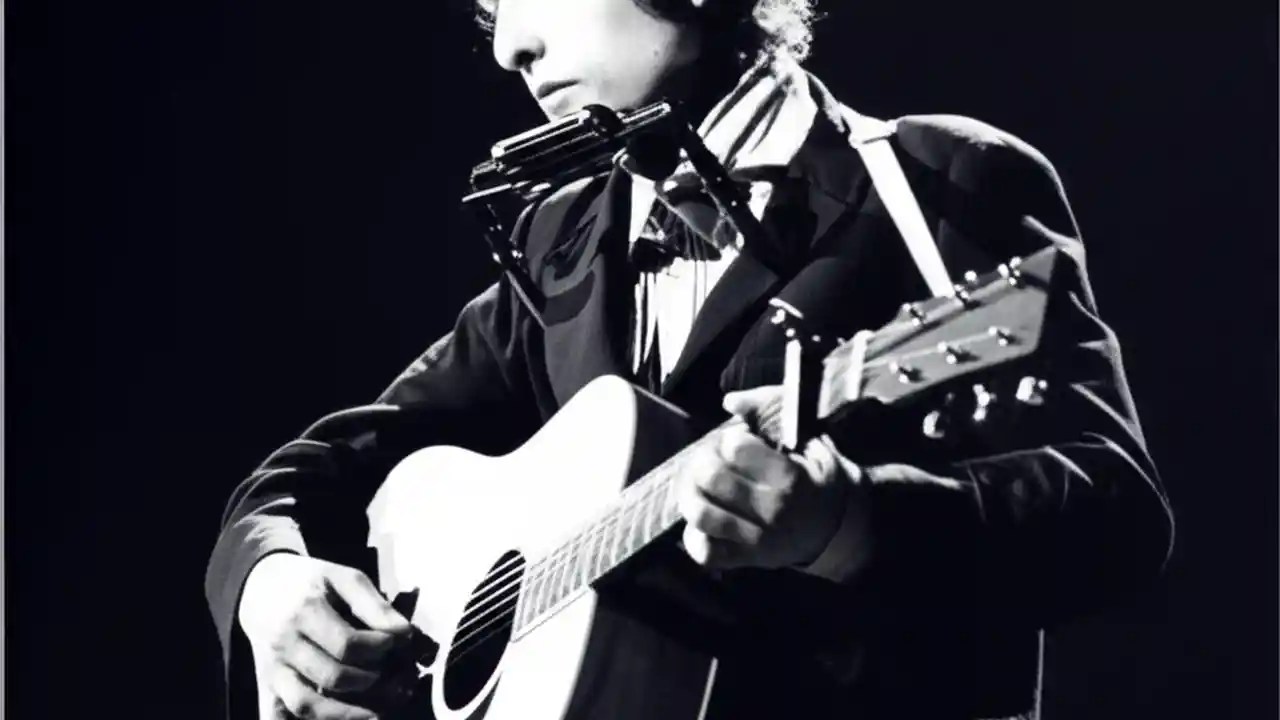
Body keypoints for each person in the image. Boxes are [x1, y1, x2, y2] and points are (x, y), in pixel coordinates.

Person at [204, 1, 1175, 718]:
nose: (509, 46)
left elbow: (1112, 511)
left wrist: (847, 523)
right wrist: (270, 586)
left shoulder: (936, 181)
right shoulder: (563, 250)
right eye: (492, 12)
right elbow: (306, 479)